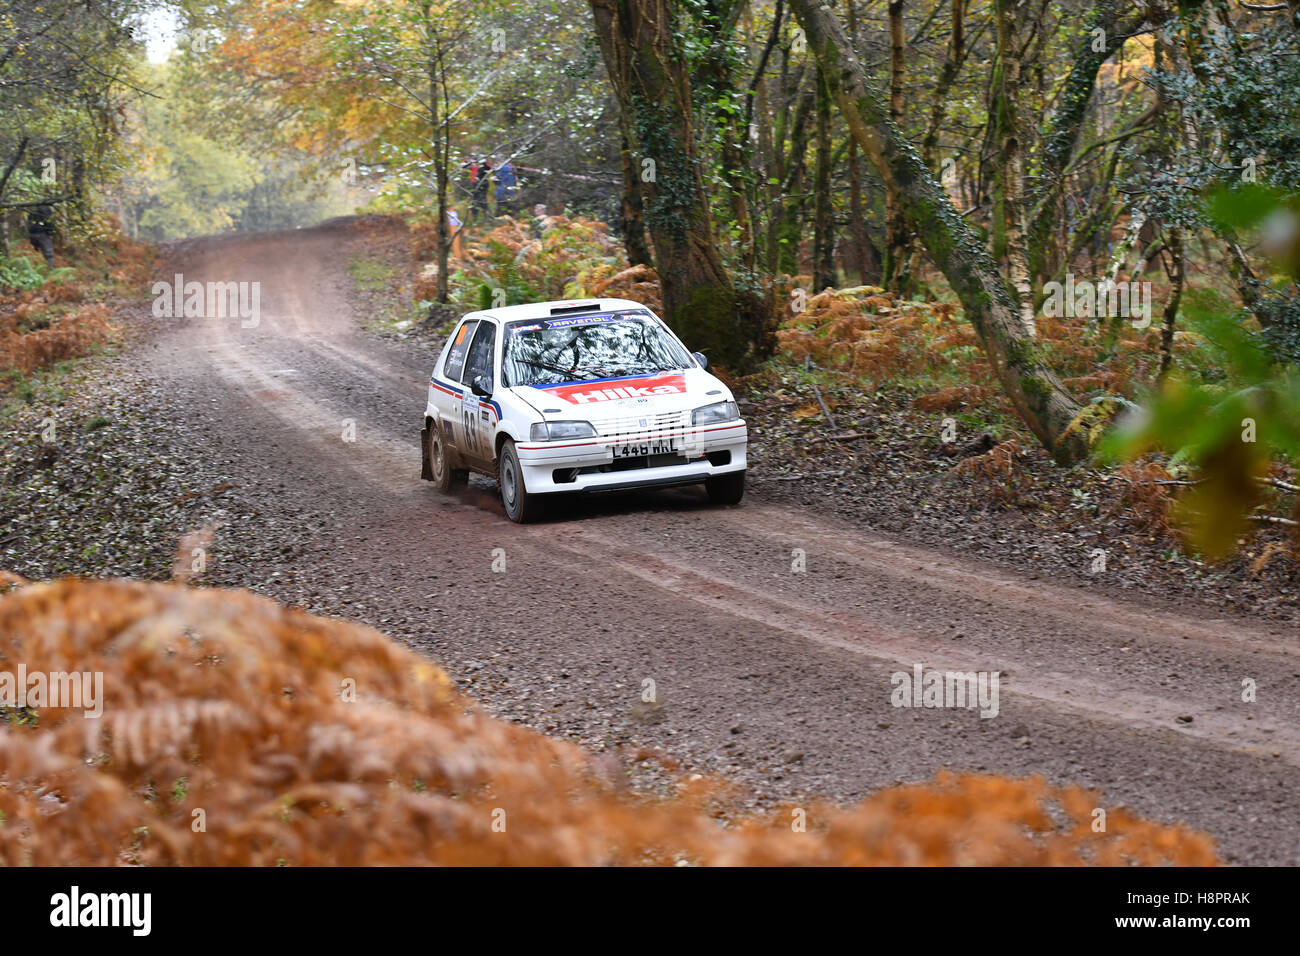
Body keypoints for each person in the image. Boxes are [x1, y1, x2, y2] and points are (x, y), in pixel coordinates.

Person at [27, 203, 56, 268]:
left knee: (35, 253)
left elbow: (29, 221)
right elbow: (49, 221)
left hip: (32, 233)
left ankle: (38, 270)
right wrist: (50, 232)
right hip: (43, 233)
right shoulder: (47, 208)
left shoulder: (32, 208)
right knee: (49, 255)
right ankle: (51, 271)